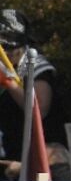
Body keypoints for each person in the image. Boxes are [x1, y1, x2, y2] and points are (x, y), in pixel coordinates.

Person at [0, 9, 64, 162]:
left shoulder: (37, 68)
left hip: (38, 154)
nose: (7, 54)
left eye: (11, 48)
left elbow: (40, 109)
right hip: (8, 150)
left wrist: (8, 82)